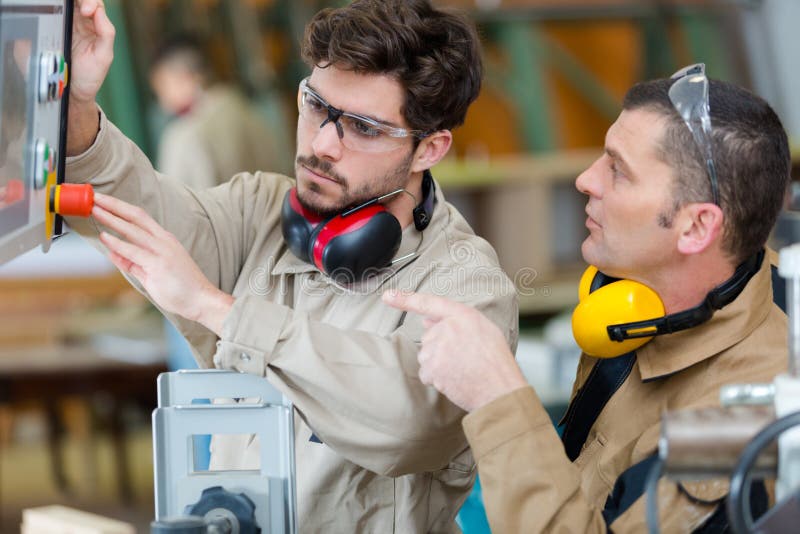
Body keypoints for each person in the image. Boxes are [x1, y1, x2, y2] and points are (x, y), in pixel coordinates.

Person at [65, 0, 518, 532]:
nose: (322, 144)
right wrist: (74, 104)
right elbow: (137, 210)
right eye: (316, 105)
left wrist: (221, 311)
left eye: (364, 128)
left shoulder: (467, 283)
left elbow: (410, 422)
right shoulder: (257, 212)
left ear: (429, 149)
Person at [385, 66, 791, 532]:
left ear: (697, 227)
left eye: (618, 170)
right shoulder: (657, 290)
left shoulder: (738, 428)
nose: (586, 180)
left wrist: (496, 395)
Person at [148, 34, 287, 190]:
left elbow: (174, 207)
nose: (161, 100)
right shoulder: (253, 115)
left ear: (184, 78)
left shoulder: (182, 135)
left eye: (162, 85)